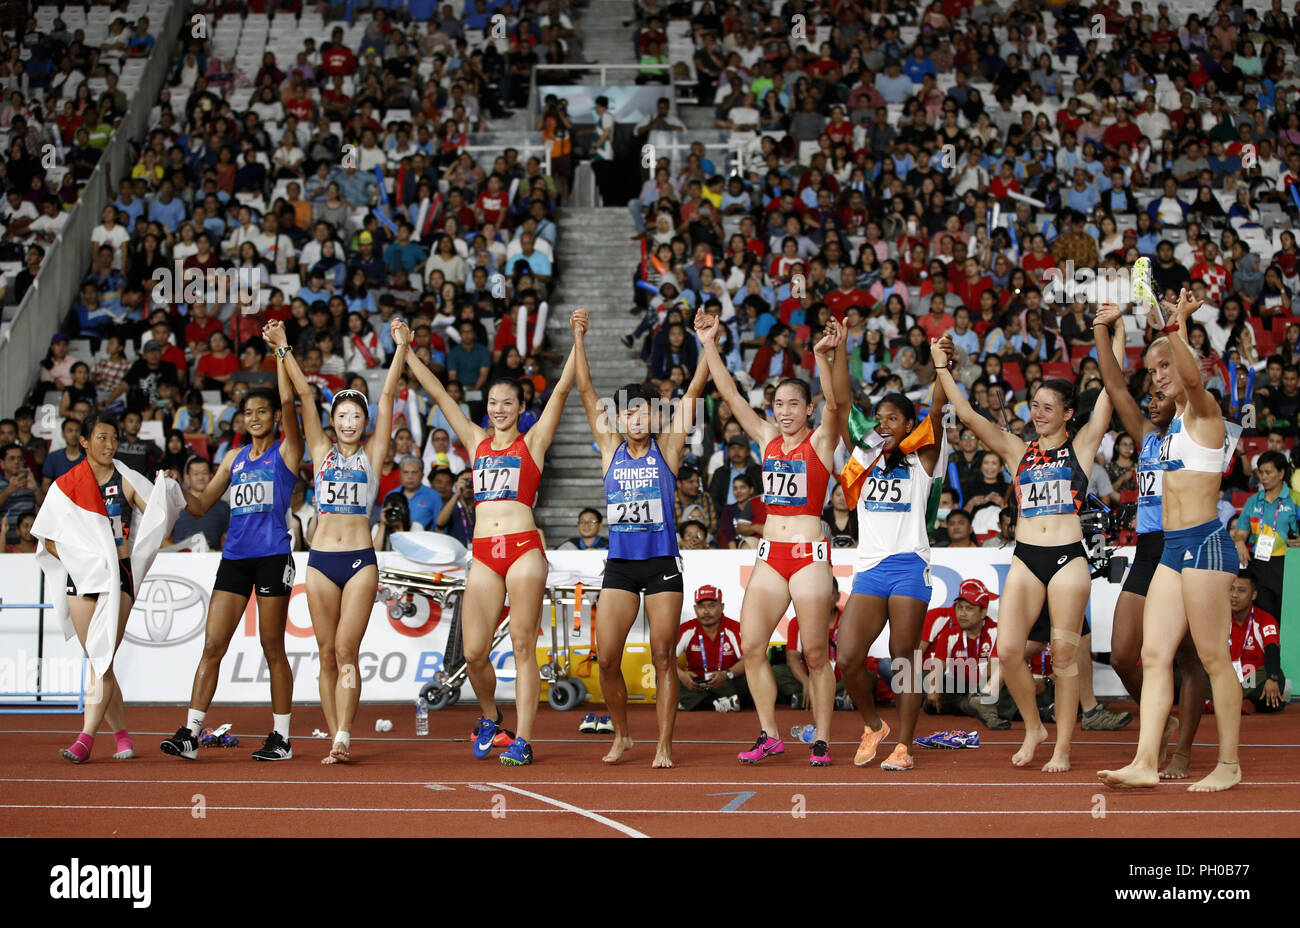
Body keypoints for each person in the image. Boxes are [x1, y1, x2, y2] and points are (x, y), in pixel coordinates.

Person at [932, 318, 1119, 773]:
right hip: (1026, 558)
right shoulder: (1018, 450)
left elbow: (1113, 387)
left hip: (1068, 559)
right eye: (1034, 405)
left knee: (1064, 654)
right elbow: (971, 416)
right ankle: (1034, 726)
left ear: (1069, 413)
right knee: (1010, 652)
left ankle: (1063, 746)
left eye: (1048, 407)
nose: (1038, 412)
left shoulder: (1082, 445)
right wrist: (942, 368)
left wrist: (1112, 334)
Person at [402, 314, 577, 768]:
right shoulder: (476, 440)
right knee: (474, 652)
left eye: (508, 402)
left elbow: (561, 390)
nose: (499, 408)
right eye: (494, 401)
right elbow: (439, 393)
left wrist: (577, 338)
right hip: (482, 554)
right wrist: (405, 349)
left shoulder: (533, 442)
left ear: (520, 407)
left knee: (522, 646)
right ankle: (490, 717)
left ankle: (523, 738)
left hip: (522, 549)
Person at [1099, 290, 1244, 793]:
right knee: (1155, 656)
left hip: (1205, 544)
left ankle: (1228, 763)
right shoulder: (1165, 428)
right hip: (1172, 549)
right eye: (1154, 370)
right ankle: (1144, 761)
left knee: (1211, 658)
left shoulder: (1206, 413)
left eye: (1166, 369)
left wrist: (1177, 326)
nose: (1159, 376)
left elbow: (1192, 378)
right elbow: (1137, 384)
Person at [696, 312, 842, 765]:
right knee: (754, 646)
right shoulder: (765, 438)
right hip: (769, 555)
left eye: (793, 405)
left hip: (808, 555)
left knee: (816, 653)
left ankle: (820, 738)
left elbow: (837, 406)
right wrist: (709, 343)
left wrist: (824, 358)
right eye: (778, 404)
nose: (784, 411)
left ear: (808, 408)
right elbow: (730, 394)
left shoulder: (819, 441)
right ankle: (769, 734)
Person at [575, 309, 711, 767]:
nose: (636, 418)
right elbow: (586, 391)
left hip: (662, 566)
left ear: (655, 416)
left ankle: (664, 744)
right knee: (607, 658)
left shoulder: (667, 447)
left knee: (663, 656)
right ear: (620, 418)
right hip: (620, 566)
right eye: (629, 412)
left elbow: (693, 390)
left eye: (644, 411)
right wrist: (579, 336)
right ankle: (623, 736)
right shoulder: (610, 448)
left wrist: (706, 342)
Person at [275, 317, 408, 764]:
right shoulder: (319, 451)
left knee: (347, 649)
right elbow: (304, 397)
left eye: (357, 416)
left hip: (358, 561)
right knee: (325, 653)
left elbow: (388, 395)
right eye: (342, 416)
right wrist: (283, 347)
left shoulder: (373, 455)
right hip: (319, 562)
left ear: (365, 422)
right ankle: (335, 737)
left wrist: (401, 348)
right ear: (332, 422)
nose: (349, 421)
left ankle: (344, 736)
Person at [161, 370, 303, 762]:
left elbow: (290, 402)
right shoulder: (233, 458)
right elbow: (202, 505)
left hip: (273, 557)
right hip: (235, 560)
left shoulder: (287, 452)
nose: (254, 417)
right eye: (248, 412)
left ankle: (282, 738)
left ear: (275, 417)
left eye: (262, 411)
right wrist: (175, 488)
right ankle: (190, 733)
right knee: (212, 645)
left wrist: (279, 350)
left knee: (273, 646)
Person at [828, 331, 954, 771]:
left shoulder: (923, 459)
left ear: (908, 424)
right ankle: (872, 725)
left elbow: (937, 411)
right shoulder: (863, 457)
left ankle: (904, 745)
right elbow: (843, 406)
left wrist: (940, 366)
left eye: (892, 419)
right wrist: (841, 348)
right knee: (846, 658)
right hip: (870, 569)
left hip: (909, 566)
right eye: (879, 418)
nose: (882, 425)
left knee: (904, 655)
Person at [1093, 305, 1206, 779]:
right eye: (1150, 392)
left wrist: (1171, 333)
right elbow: (1115, 385)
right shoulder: (1144, 437)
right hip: (1147, 548)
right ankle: (1161, 719)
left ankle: (1181, 751)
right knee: (1123, 654)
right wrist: (1102, 326)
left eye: (1161, 387)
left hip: (1187, 545)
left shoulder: (1195, 424)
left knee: (1187, 657)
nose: (1152, 395)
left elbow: (1189, 383)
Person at [32, 412, 182, 763]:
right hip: (81, 578)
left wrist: (166, 485)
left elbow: (160, 513)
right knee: (99, 660)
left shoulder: (126, 478)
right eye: (101, 437)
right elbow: (48, 539)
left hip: (118, 575)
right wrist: (80, 561)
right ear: (83, 441)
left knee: (100, 661)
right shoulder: (65, 485)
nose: (110, 445)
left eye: (113, 438)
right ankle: (121, 735)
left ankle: (85, 739)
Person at [1231, 450, 1298, 620]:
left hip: (1287, 564)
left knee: (1287, 616)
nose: (1263, 477)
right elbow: (1240, 533)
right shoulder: (1253, 501)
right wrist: (1239, 542)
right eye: (1261, 472)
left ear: (1281, 473)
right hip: (1259, 563)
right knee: (1265, 616)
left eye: (1268, 472)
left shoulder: (1295, 499)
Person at [674, 585, 749, 711]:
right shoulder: (686, 629)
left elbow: (748, 660)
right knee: (662, 675)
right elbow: (665, 659)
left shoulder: (735, 628)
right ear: (695, 608)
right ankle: (718, 704)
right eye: (701, 606)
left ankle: (691, 703)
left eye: (711, 606)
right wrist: (681, 675)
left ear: (722, 607)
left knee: (750, 678)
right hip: (695, 683)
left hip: (725, 681)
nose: (706, 611)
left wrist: (726, 674)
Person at [1227, 573, 1287, 714]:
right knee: (1181, 675)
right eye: (1231, 589)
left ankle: (1219, 701)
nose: (1234, 595)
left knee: (1276, 675)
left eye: (1241, 590)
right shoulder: (1219, 618)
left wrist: (1272, 678)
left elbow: (1272, 649)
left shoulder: (1264, 619)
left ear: (1253, 595)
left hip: (1252, 677)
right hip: (1224, 676)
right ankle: (1242, 701)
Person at [168, 457, 229, 549]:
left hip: (212, 559)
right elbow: (160, 540)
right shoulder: (175, 506)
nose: (200, 477)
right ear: (187, 478)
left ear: (212, 476)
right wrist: (181, 552)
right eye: (196, 474)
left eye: (204, 473)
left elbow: (229, 538)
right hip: (179, 560)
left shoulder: (223, 507)